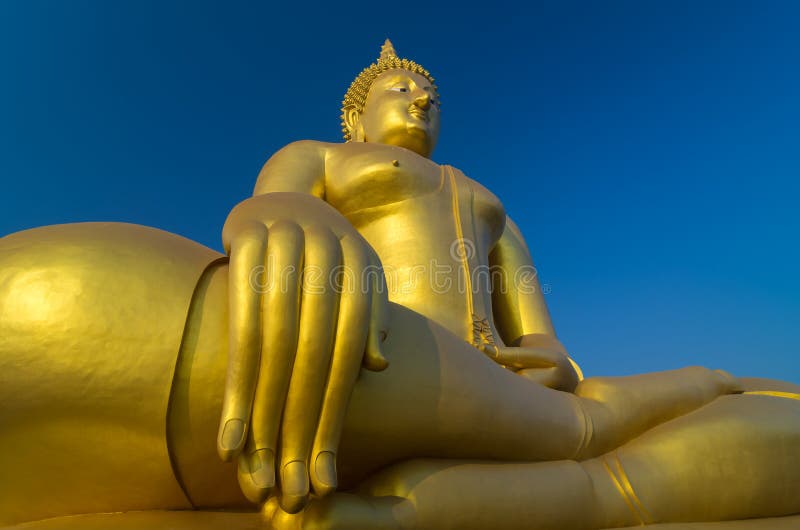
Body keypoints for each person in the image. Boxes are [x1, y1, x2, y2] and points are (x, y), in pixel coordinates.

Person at [0, 40, 798, 530]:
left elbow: (537, 325)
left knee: (607, 418)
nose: (420, 100)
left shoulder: (487, 205)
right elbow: (268, 205)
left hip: (501, 386)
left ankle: (712, 396)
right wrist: (284, 217)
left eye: (431, 97)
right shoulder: (325, 157)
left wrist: (546, 358)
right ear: (359, 116)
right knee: (610, 428)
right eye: (401, 91)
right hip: (382, 350)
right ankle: (697, 401)